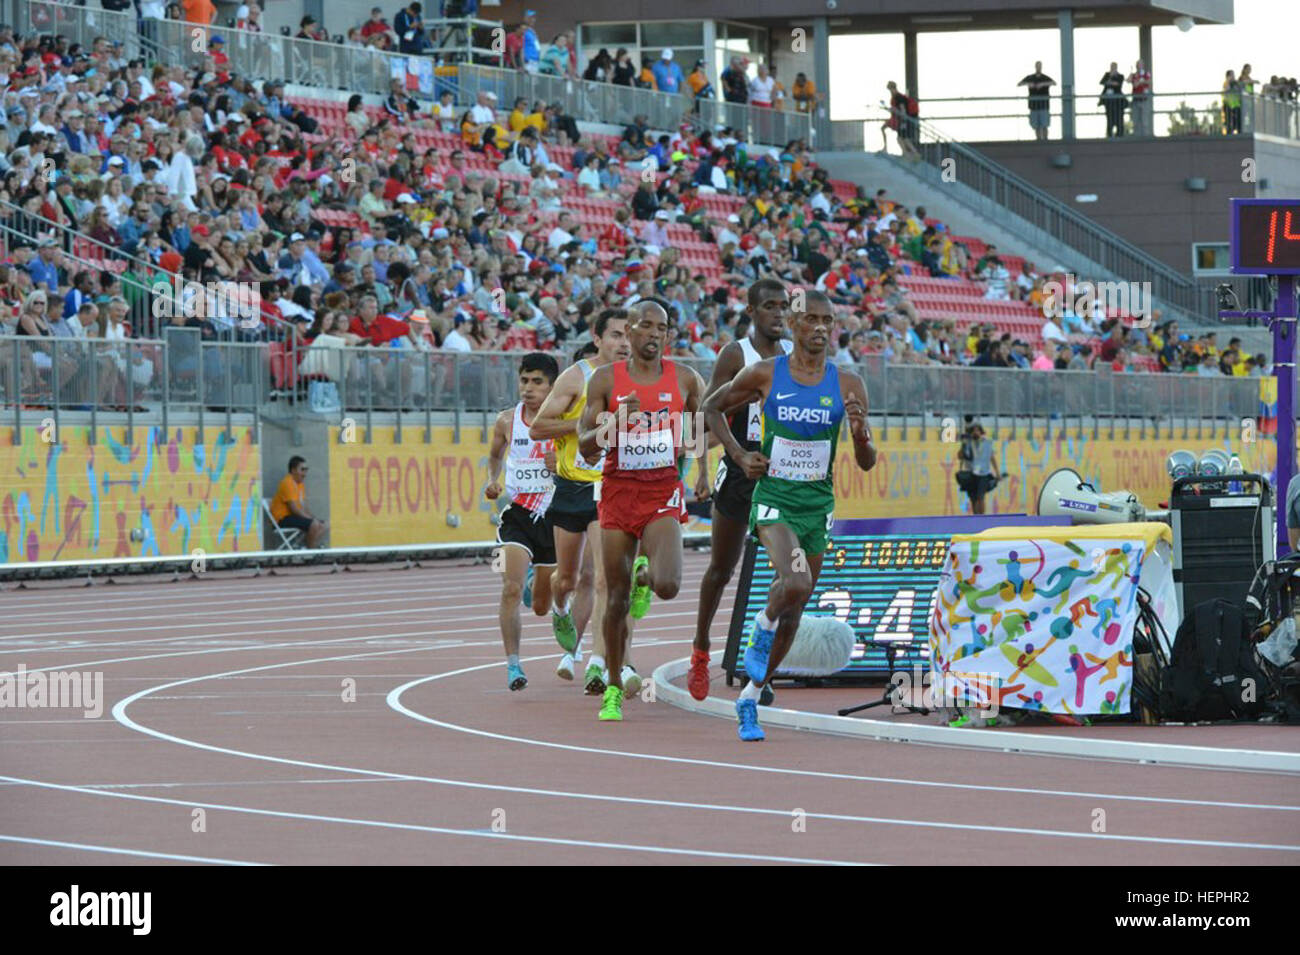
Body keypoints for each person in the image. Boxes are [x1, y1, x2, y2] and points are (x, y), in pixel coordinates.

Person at [701, 289, 877, 741]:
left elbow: (866, 462)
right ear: (793, 326)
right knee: (795, 582)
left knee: (796, 611)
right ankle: (760, 629)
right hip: (774, 498)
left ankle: (751, 698)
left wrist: (859, 435)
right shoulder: (763, 372)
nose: (820, 328)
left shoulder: (848, 384)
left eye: (828, 321)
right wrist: (740, 455)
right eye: (810, 320)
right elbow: (711, 407)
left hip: (816, 506)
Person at [579, 300, 706, 722]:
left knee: (667, 584)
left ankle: (645, 578)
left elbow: (702, 426)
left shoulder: (685, 378)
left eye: (662, 328)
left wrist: (703, 469)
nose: (654, 334)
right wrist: (615, 423)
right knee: (614, 600)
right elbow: (585, 444)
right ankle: (613, 686)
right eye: (645, 326)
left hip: (662, 492)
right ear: (629, 332)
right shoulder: (603, 379)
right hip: (617, 493)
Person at [689, 278, 792, 701]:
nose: (779, 314)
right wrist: (735, 454)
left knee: (788, 575)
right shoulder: (736, 354)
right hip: (738, 469)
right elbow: (706, 412)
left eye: (784, 306)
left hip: (780, 471)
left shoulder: (793, 355)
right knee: (721, 569)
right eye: (769, 306)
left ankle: (759, 671)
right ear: (751, 311)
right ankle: (700, 649)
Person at [528, 310, 632, 692]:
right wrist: (584, 426)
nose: (624, 343)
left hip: (611, 487)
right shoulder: (577, 376)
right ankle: (560, 609)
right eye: (616, 335)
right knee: (568, 578)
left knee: (603, 579)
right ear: (597, 337)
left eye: (628, 336)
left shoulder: (638, 378)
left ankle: (598, 662)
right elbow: (539, 427)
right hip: (571, 489)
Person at [484, 352, 561, 691]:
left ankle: (543, 589)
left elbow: (586, 458)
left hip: (553, 516)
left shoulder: (564, 421)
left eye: (537, 382)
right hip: (516, 516)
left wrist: (561, 463)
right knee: (510, 588)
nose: (528, 389)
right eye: (524, 381)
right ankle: (513, 665)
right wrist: (492, 479)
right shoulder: (505, 420)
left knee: (541, 606)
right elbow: (495, 454)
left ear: (552, 387)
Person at [270, 455, 329, 548]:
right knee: (314, 524)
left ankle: (306, 546)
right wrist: (312, 520)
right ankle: (311, 551)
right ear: (293, 470)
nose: (305, 473)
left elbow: (304, 507)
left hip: (292, 517)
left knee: (324, 525)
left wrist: (313, 518)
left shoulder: (300, 484)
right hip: (282, 519)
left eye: (306, 470)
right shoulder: (287, 483)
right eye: (302, 469)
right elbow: (294, 509)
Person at [956, 421, 996, 514]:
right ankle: (975, 516)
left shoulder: (985, 442)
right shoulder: (967, 444)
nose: (975, 433)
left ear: (981, 432)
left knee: (980, 496)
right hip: (970, 473)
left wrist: (997, 472)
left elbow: (991, 457)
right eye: (973, 431)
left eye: (978, 430)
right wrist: (963, 445)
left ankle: (981, 517)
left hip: (982, 473)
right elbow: (960, 456)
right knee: (973, 497)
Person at [1017, 62, 1056, 141]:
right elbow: (1019, 84)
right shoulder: (1030, 77)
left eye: (1040, 66)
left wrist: (1043, 84)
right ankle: (1038, 140)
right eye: (1037, 66)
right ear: (1035, 67)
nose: (1039, 68)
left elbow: (1054, 83)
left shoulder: (1045, 77)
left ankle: (1045, 140)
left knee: (1044, 124)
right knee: (1036, 125)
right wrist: (1028, 84)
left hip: (1044, 105)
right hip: (1033, 105)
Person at [1100, 62, 1127, 138]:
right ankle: (1109, 134)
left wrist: (1109, 82)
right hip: (1108, 101)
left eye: (1114, 67)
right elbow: (1102, 82)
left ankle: (1120, 134)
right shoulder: (1107, 75)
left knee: (1119, 118)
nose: (1113, 68)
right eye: (1112, 66)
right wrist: (1110, 78)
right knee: (1109, 118)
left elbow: (1118, 84)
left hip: (1118, 102)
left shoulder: (1120, 76)